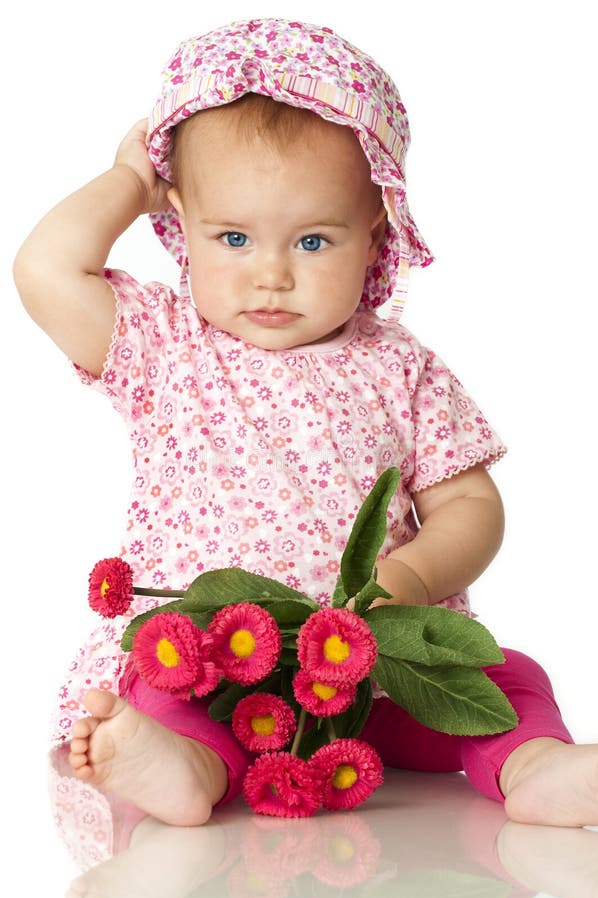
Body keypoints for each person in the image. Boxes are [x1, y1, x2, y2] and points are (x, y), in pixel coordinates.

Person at [14, 17, 598, 829]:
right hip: (216, 661)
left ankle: (532, 768)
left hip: (378, 665)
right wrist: (129, 177)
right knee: (157, 677)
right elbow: (45, 271)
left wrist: (412, 583)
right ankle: (182, 761)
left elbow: (472, 507)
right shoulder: (166, 344)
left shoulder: (402, 367)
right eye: (234, 236)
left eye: (315, 239)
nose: (272, 273)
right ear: (181, 224)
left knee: (508, 679)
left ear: (375, 236)